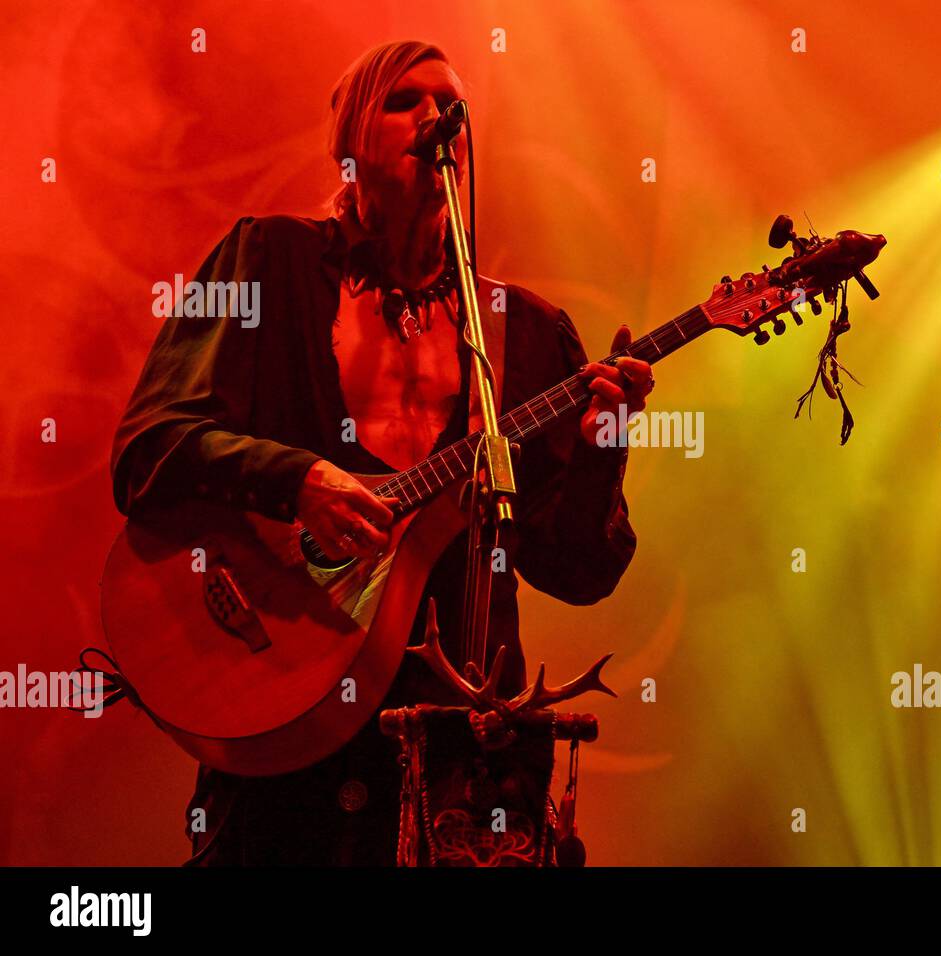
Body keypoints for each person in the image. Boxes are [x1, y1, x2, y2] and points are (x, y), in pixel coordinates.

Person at [110, 39, 653, 865]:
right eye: (405, 101)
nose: (437, 117)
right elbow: (148, 444)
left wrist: (604, 450)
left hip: (464, 778)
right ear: (350, 144)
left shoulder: (530, 336)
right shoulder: (266, 263)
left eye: (451, 107)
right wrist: (298, 479)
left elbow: (576, 573)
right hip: (286, 745)